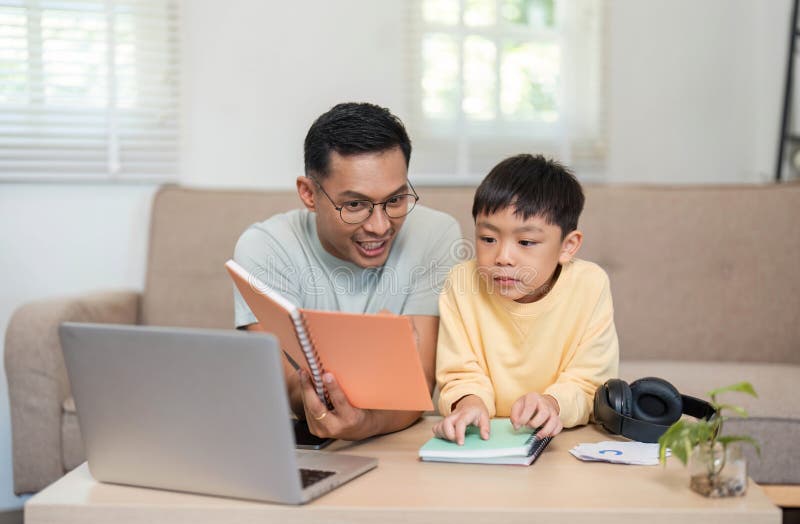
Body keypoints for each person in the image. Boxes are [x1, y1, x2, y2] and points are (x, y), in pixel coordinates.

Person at [234, 102, 462, 441]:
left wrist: (364, 425)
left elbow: (418, 385)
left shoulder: (435, 234)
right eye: (355, 205)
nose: (380, 226)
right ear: (308, 194)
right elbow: (288, 390)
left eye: (396, 200)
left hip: (397, 446)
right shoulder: (265, 247)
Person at [433, 154, 619, 445]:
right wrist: (469, 403)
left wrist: (552, 404)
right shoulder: (461, 282)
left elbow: (589, 382)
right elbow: (459, 372)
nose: (503, 258)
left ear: (567, 246)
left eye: (526, 242)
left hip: (562, 441)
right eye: (488, 239)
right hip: (481, 439)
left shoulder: (589, 284)